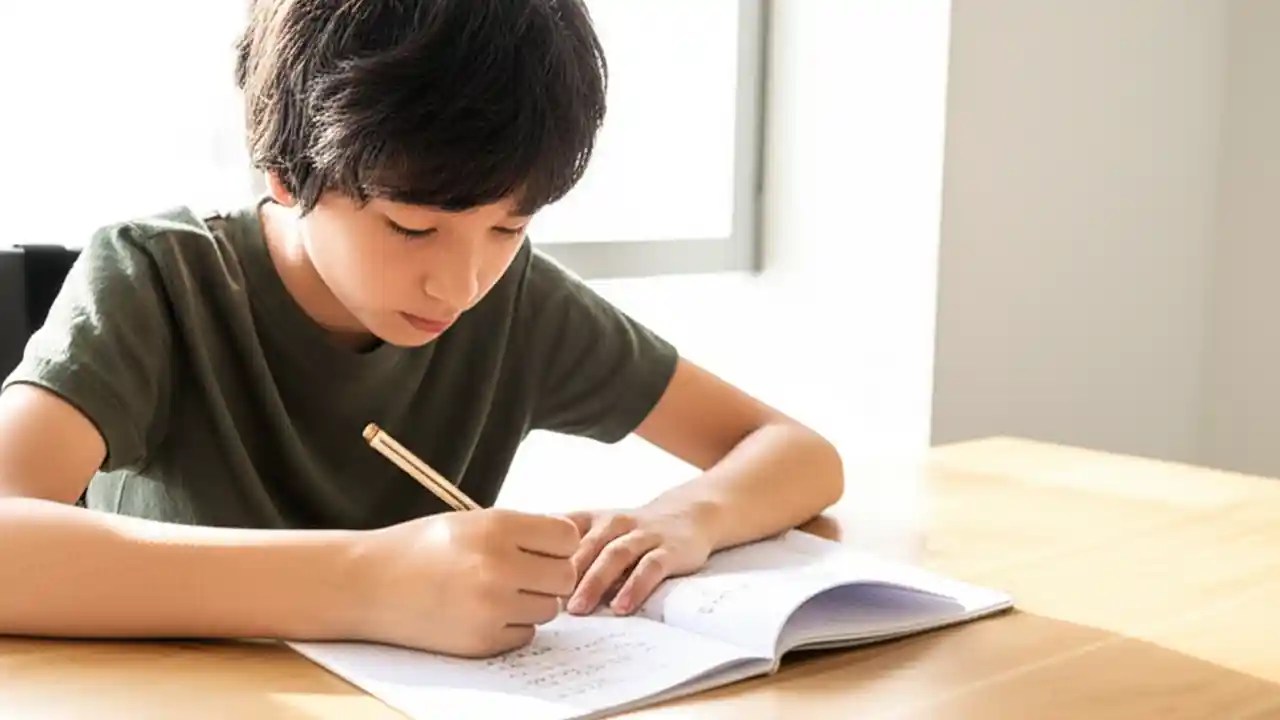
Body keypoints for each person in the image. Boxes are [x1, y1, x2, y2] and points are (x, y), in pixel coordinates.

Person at [0, 0, 843, 658]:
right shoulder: (159, 281)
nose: (462, 283)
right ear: (286, 171)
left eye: (509, 227)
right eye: (411, 228)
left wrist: (686, 518)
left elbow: (797, 453)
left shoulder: (517, 306)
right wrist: (367, 582)